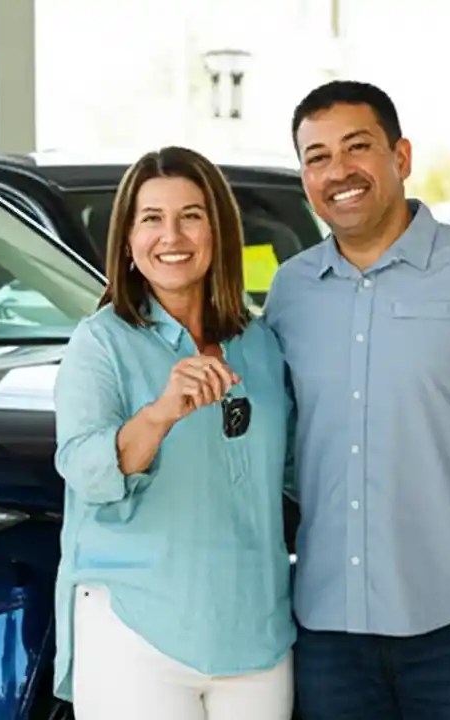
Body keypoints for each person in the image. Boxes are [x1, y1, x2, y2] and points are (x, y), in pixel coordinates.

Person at [264, 80, 450, 720]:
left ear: (400, 157)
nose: (338, 171)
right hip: (328, 632)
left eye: (357, 147)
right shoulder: (290, 292)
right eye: (316, 156)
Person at [52, 146, 295, 719]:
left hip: (256, 633)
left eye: (191, 215)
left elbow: (296, 472)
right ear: (129, 240)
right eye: (152, 219)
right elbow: (87, 471)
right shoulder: (101, 342)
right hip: (136, 631)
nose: (172, 235)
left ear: (218, 231)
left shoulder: (260, 344)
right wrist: (161, 412)